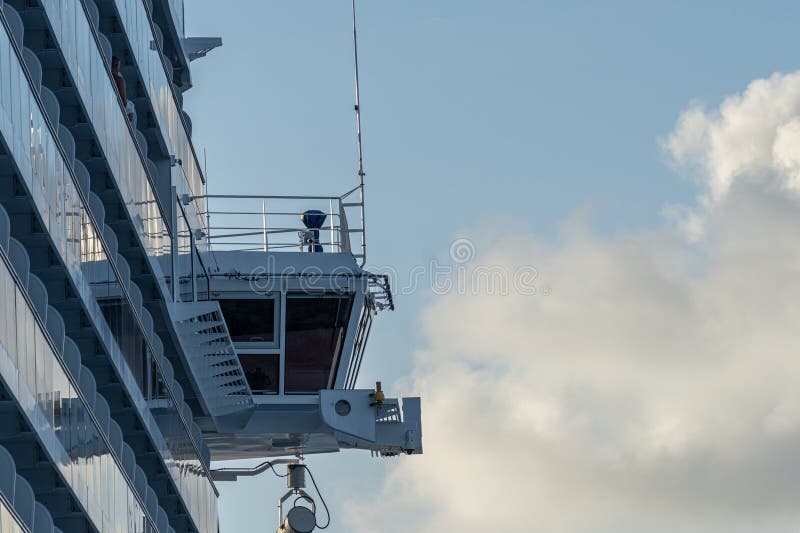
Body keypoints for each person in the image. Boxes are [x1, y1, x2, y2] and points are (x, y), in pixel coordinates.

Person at [111, 56, 134, 121]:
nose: (119, 69)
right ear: (116, 65)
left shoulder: (106, 76)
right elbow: (124, 102)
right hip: (117, 106)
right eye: (119, 66)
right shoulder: (120, 80)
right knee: (131, 106)